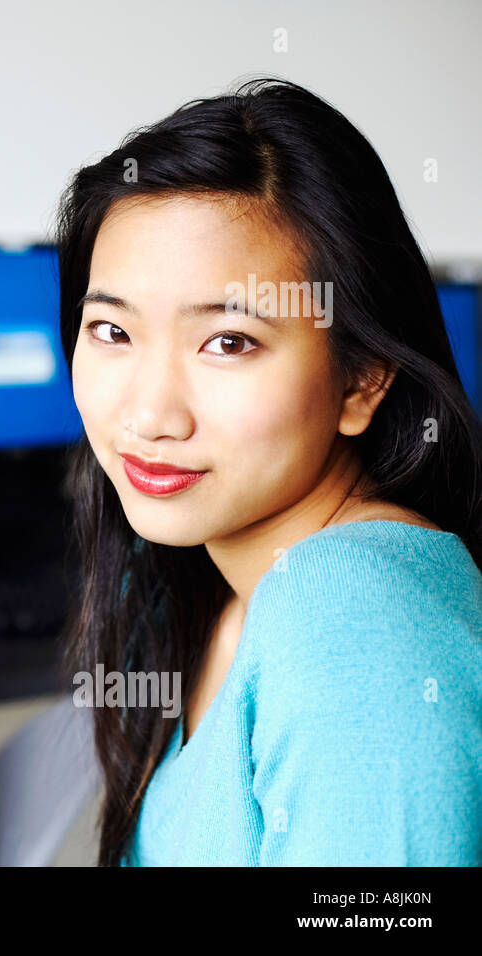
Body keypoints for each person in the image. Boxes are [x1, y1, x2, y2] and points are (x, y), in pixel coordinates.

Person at [55, 77, 482, 865]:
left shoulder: (354, 617)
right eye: (111, 330)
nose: (150, 416)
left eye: (229, 342)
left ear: (362, 380)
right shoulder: (220, 585)